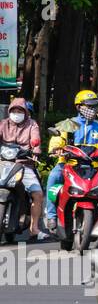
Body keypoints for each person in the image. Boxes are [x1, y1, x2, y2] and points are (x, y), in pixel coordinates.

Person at [44, 89, 98, 236]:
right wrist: (56, 148)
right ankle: (51, 216)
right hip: (69, 164)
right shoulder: (68, 124)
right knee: (53, 177)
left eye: (94, 106)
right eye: (89, 106)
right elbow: (57, 139)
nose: (92, 110)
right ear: (79, 107)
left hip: (93, 166)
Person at [0, 97, 46, 241]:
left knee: (37, 194)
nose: (17, 113)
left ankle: (34, 229)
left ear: (25, 112)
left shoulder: (32, 125)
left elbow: (36, 141)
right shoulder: (3, 124)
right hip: (2, 163)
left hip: (24, 164)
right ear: (10, 111)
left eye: (20, 110)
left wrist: (35, 150)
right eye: (14, 110)